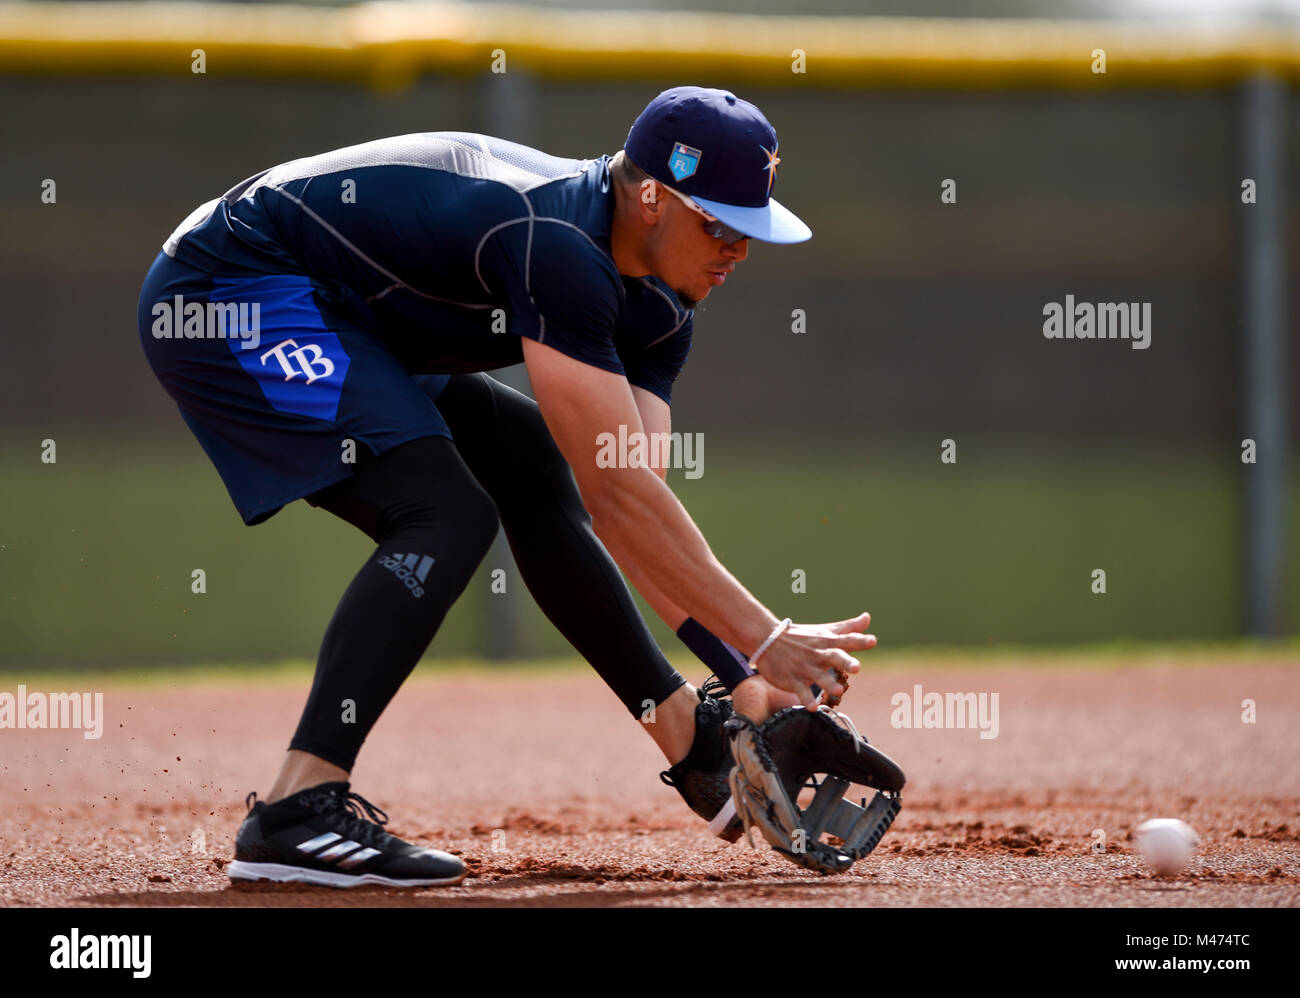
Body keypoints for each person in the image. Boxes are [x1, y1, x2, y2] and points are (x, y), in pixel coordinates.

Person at [136, 85, 877, 888]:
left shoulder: (663, 309)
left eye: (751, 231)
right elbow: (619, 496)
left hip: (342, 313)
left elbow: (636, 515)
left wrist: (742, 675)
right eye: (719, 223)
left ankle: (691, 744)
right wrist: (764, 639)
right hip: (226, 288)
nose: (737, 248)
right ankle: (295, 809)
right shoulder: (556, 245)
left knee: (528, 462)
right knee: (443, 514)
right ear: (653, 198)